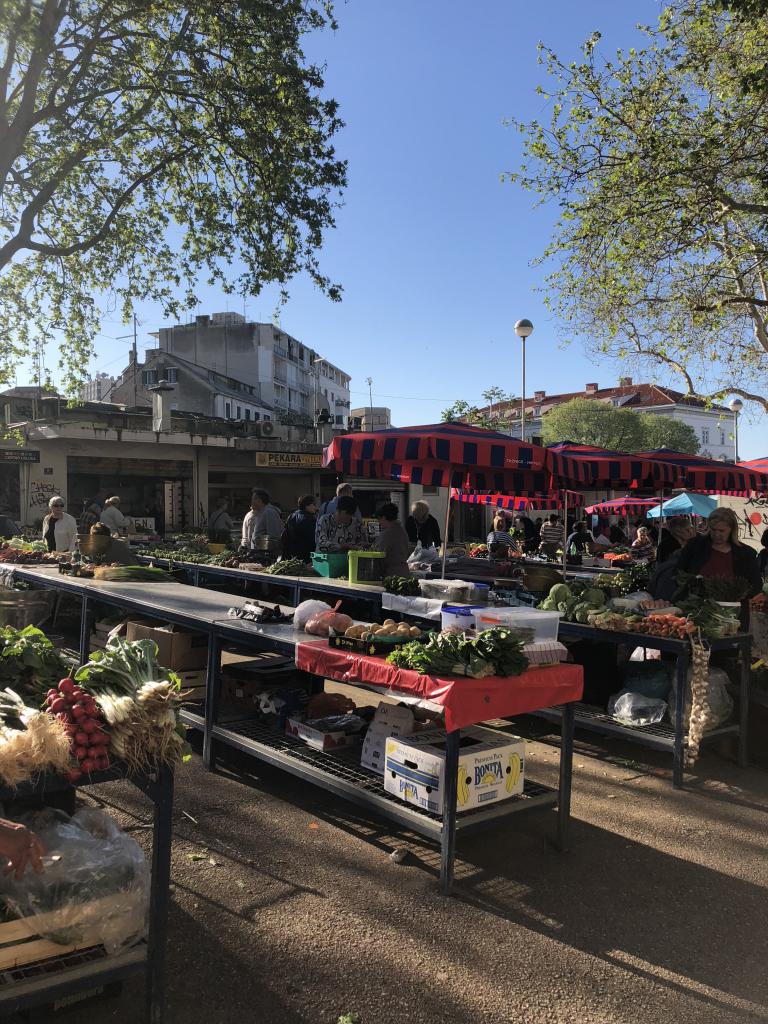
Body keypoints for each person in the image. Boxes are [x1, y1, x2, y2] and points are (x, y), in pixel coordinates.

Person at [677, 507, 762, 625]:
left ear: (731, 529)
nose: (716, 534)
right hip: (696, 613)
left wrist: (732, 595)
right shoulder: (695, 546)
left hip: (733, 617)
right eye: (713, 529)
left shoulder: (746, 554)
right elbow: (679, 572)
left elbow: (756, 585)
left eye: (721, 531)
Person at [373, 502, 411, 577]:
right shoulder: (402, 531)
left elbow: (377, 554)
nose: (379, 523)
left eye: (379, 520)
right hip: (404, 571)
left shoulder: (387, 534)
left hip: (392, 574)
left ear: (384, 518)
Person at [282, 495, 318, 562]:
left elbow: (284, 536)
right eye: (314, 504)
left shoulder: (291, 516)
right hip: (306, 555)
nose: (316, 507)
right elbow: (313, 540)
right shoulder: (309, 519)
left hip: (292, 554)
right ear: (307, 505)